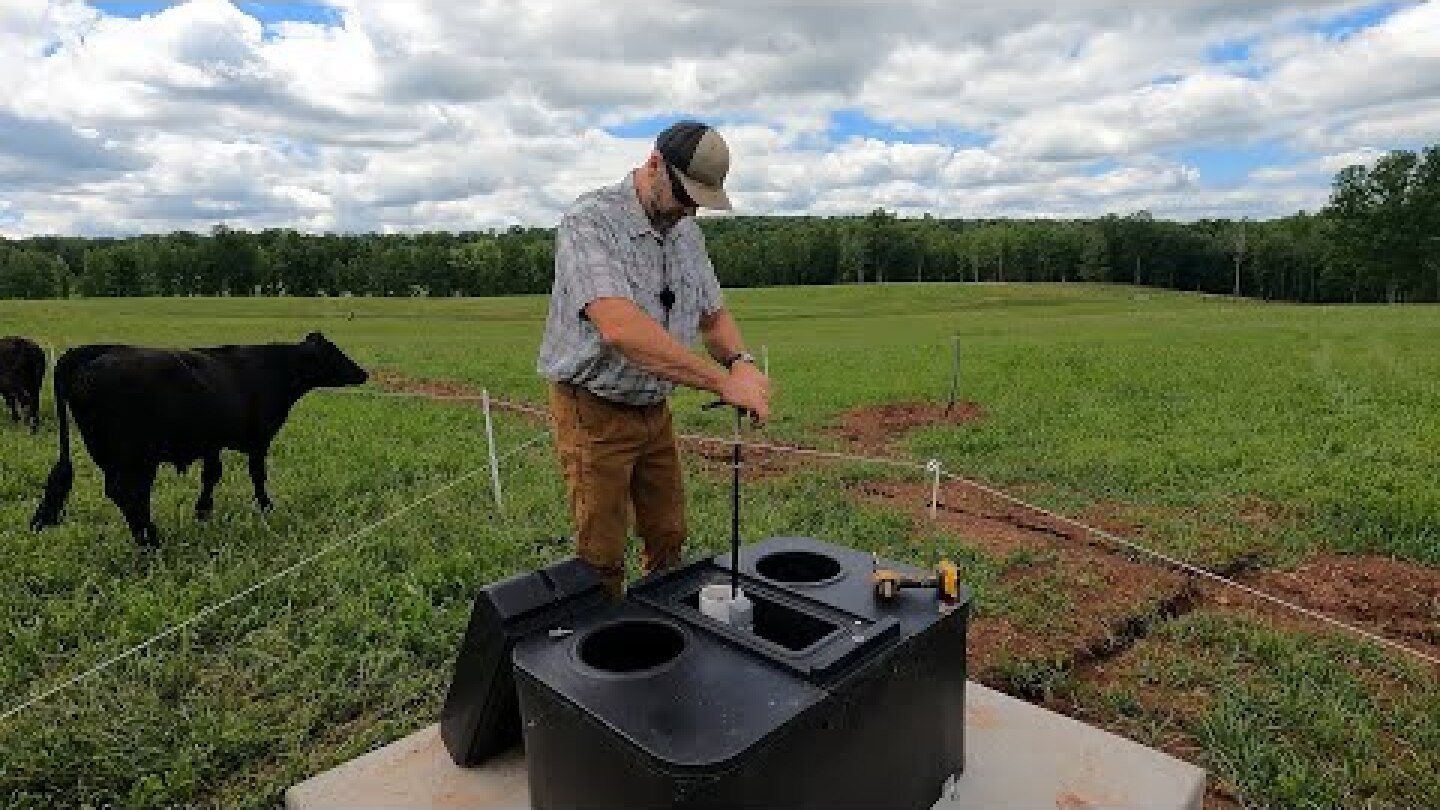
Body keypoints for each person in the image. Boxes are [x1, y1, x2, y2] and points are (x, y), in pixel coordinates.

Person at [537, 120, 771, 596]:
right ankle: (604, 631)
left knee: (668, 535)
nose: (689, 211)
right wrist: (722, 383)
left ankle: (665, 627)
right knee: (601, 554)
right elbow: (619, 327)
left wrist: (741, 361)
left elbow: (713, 317)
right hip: (593, 409)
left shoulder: (686, 233)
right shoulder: (590, 221)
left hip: (654, 409)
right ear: (654, 164)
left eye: (699, 203)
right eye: (684, 195)